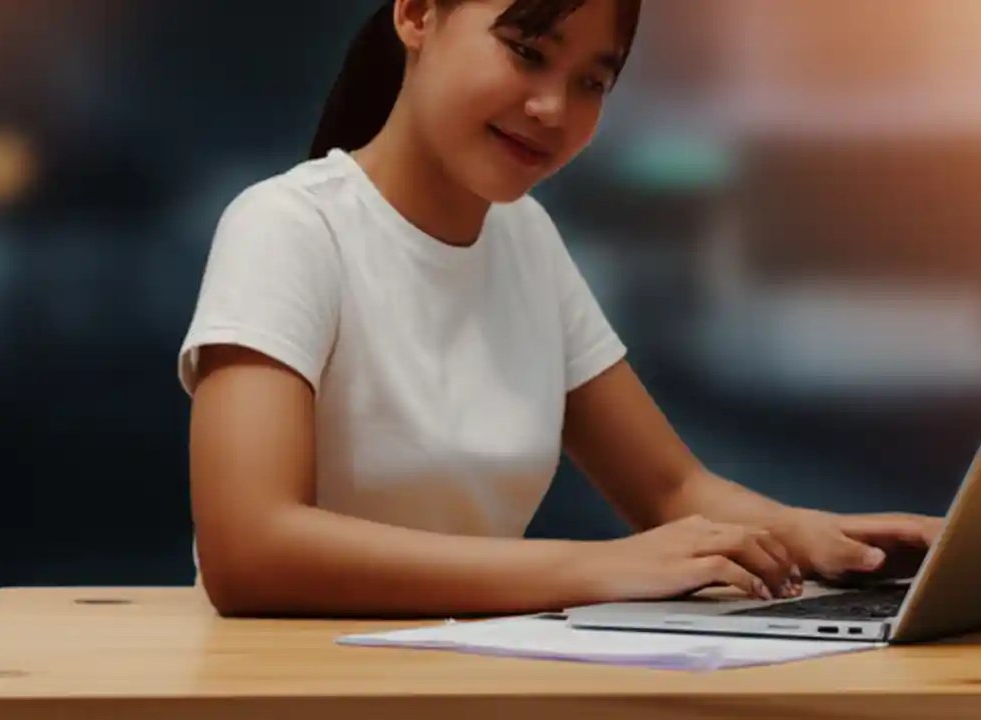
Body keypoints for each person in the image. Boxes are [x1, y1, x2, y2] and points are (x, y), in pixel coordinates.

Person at [179, 0, 942, 618]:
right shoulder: (288, 225)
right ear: (416, 14)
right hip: (299, 686)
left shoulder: (525, 238)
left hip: (466, 678)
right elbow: (249, 550)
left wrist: (822, 538)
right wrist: (598, 568)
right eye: (527, 51)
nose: (552, 107)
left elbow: (671, 489)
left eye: (592, 82)